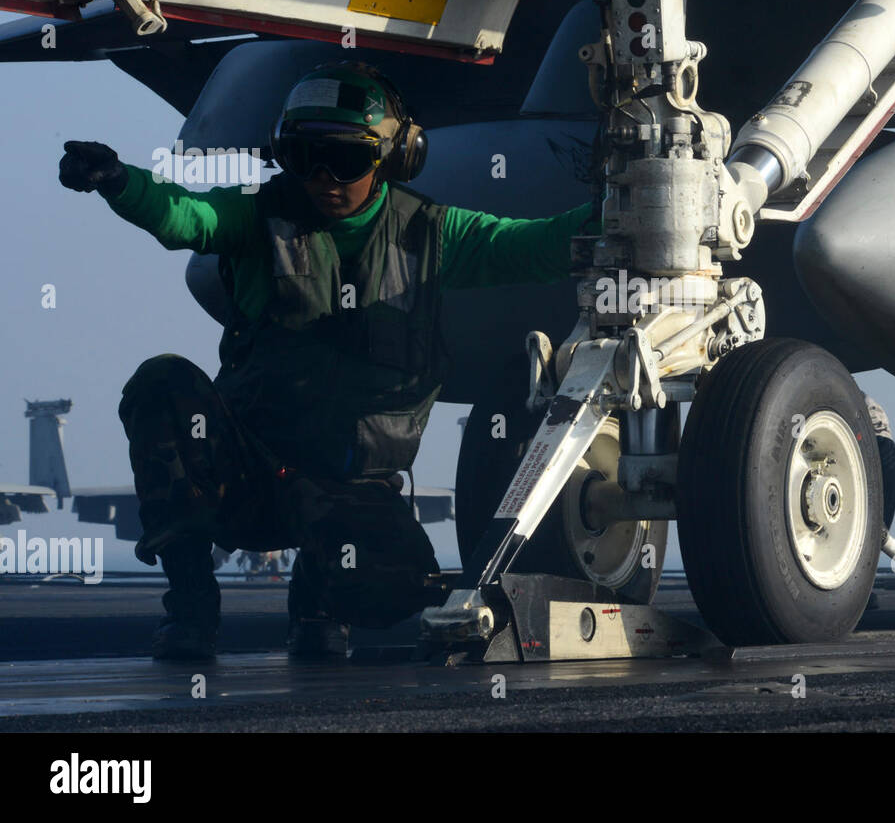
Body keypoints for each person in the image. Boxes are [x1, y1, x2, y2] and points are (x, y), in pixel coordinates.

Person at [58, 61, 597, 660]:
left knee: (396, 594)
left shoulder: (432, 236)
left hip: (348, 489)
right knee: (162, 383)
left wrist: (631, 199)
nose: (323, 178)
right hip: (248, 475)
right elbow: (186, 215)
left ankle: (317, 601)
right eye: (305, 155)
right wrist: (119, 182)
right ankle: (190, 606)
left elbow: (542, 246)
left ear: (393, 158)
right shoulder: (260, 220)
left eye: (344, 159)